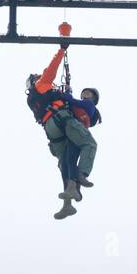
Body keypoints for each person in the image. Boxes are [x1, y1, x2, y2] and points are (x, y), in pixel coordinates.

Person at [24, 23, 99, 220]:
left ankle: (68, 200)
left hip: (53, 133)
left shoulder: (35, 99)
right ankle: (83, 175)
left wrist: (66, 94)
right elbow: (52, 69)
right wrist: (62, 48)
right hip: (62, 121)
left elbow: (61, 98)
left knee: (66, 162)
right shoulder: (42, 85)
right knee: (89, 143)